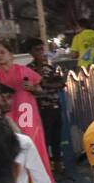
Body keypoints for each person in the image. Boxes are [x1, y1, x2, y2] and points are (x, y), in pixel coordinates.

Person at [0, 39, 52, 180]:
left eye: (2, 52)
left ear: (10, 54)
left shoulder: (23, 70)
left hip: (27, 114)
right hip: (7, 115)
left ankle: (40, 181)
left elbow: (40, 89)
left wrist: (32, 88)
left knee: (33, 145)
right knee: (12, 147)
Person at [24, 38, 66, 172]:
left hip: (54, 106)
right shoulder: (28, 70)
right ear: (30, 52)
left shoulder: (49, 67)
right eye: (37, 49)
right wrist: (44, 86)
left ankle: (58, 164)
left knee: (56, 137)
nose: (41, 52)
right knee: (45, 139)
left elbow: (60, 84)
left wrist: (42, 86)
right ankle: (47, 166)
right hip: (40, 109)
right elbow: (28, 88)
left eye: (42, 49)